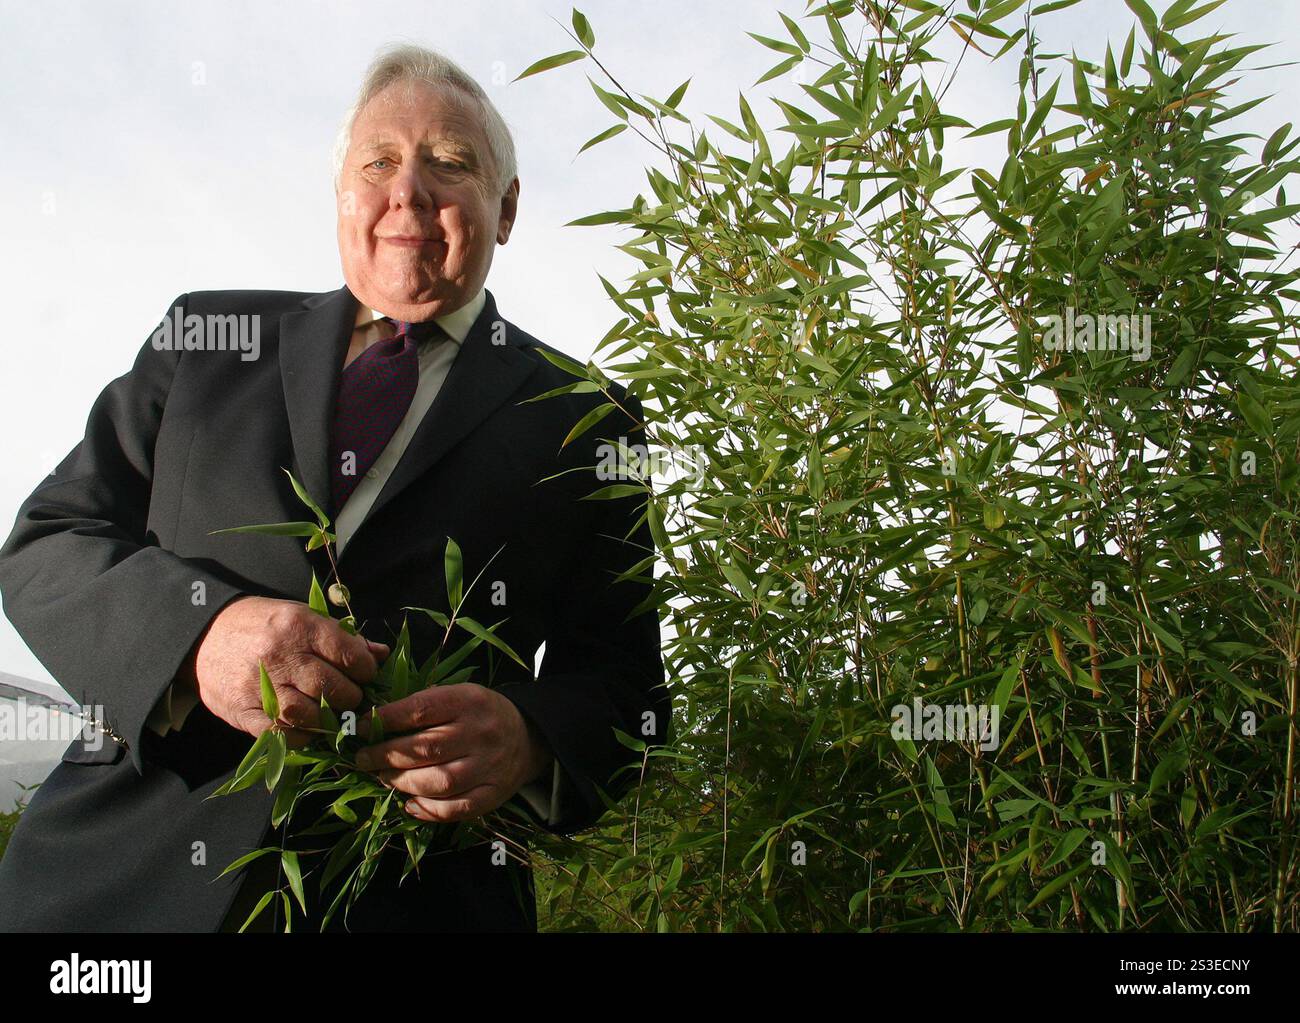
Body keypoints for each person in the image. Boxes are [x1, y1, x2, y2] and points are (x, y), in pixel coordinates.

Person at [0, 43, 669, 932]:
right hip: (113, 890)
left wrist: (530, 740)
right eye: (379, 162)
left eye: (451, 164)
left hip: (417, 901)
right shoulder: (208, 336)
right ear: (344, 195)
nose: (409, 192)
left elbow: (630, 695)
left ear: (505, 210)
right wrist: (199, 636)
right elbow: (49, 541)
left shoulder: (589, 419)